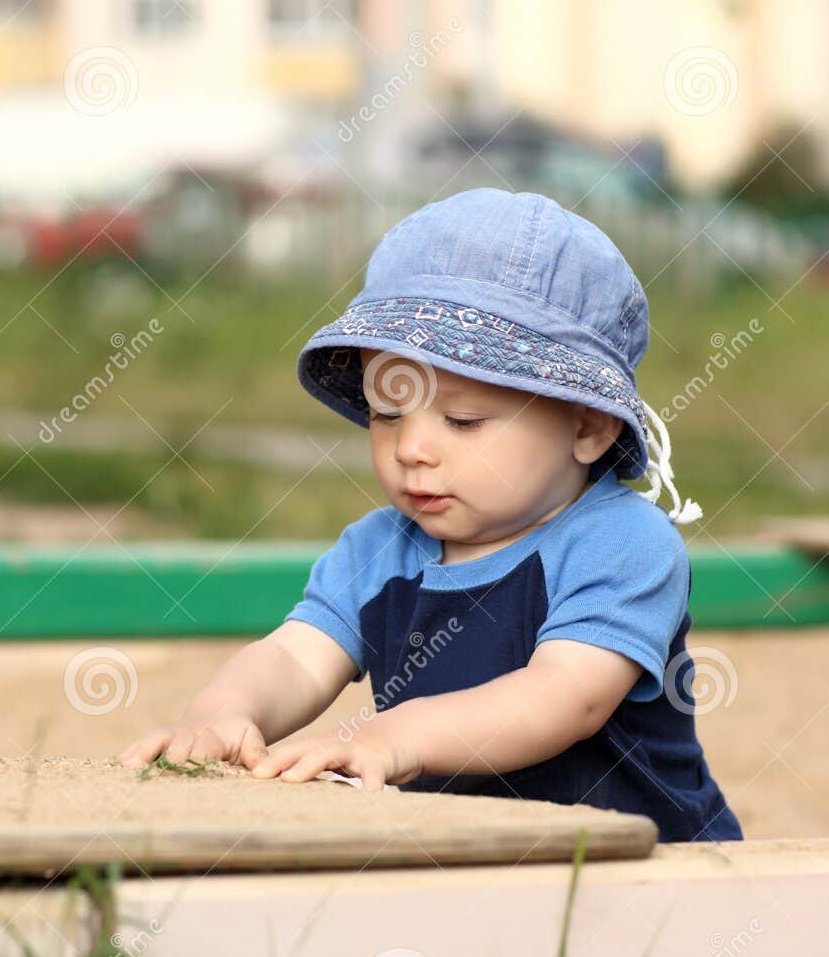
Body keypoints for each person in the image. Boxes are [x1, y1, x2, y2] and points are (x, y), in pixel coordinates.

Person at [120, 189, 742, 843]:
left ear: (587, 426)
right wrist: (225, 710)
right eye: (387, 414)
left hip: (650, 870)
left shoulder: (622, 541)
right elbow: (296, 659)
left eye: (463, 420)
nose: (412, 448)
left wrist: (396, 736)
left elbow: (565, 696)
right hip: (467, 865)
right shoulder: (377, 550)